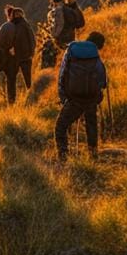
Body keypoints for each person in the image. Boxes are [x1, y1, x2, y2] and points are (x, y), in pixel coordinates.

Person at [54, 32, 107, 162]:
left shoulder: (71, 51)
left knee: (61, 127)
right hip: (91, 98)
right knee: (91, 126)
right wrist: (98, 94)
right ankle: (93, 157)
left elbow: (62, 74)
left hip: (73, 98)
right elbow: (102, 78)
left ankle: (63, 157)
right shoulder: (95, 54)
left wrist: (63, 96)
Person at [0, 5, 36, 104]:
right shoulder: (26, 26)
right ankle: (31, 99)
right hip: (26, 57)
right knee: (28, 80)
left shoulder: (9, 26)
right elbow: (33, 41)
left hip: (13, 58)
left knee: (11, 80)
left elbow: (2, 43)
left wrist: (8, 51)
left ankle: (11, 101)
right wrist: (31, 53)